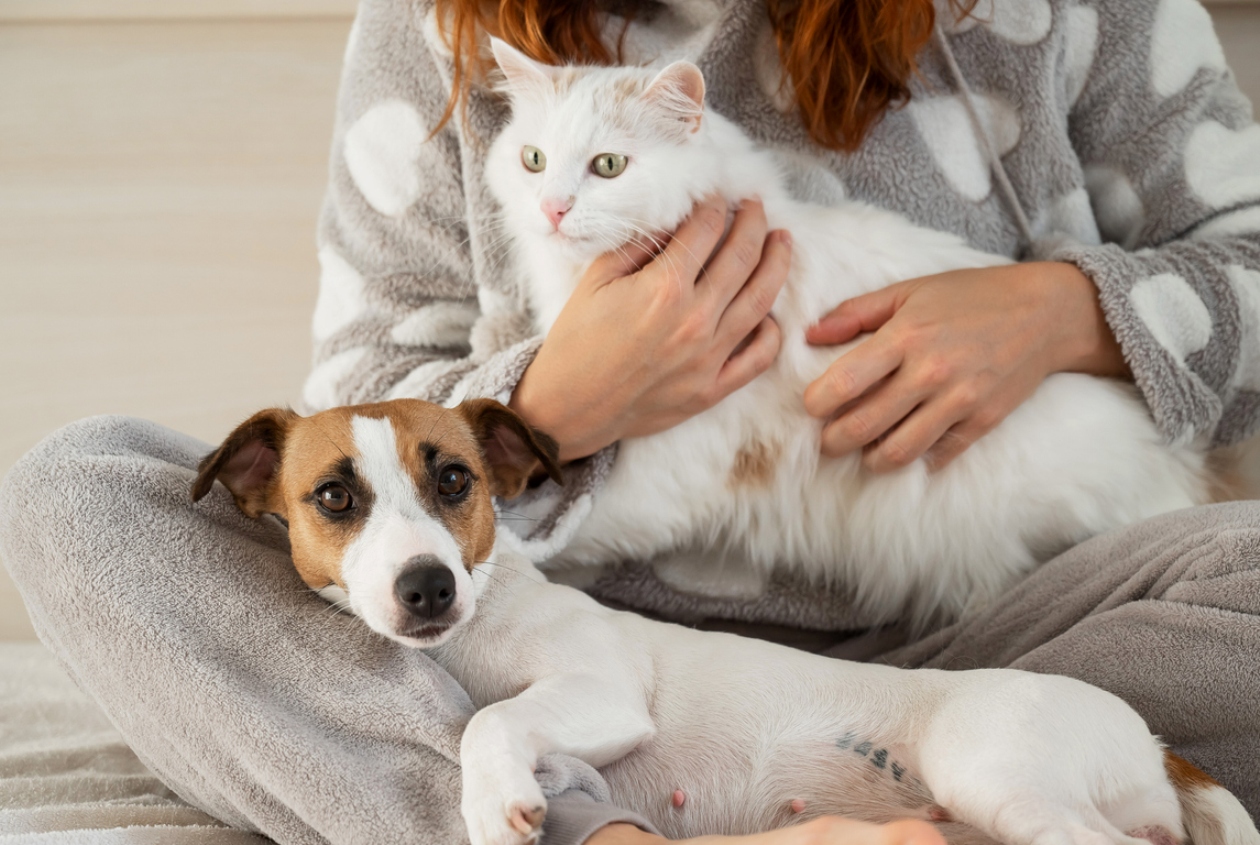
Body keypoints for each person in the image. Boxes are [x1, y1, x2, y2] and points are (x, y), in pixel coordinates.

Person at [2, 0, 1259, 842]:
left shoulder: (1052, 18)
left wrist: (1060, 311)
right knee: (83, 495)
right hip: (553, 664)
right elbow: (358, 430)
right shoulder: (430, 37)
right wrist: (559, 403)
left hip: (1007, 643)